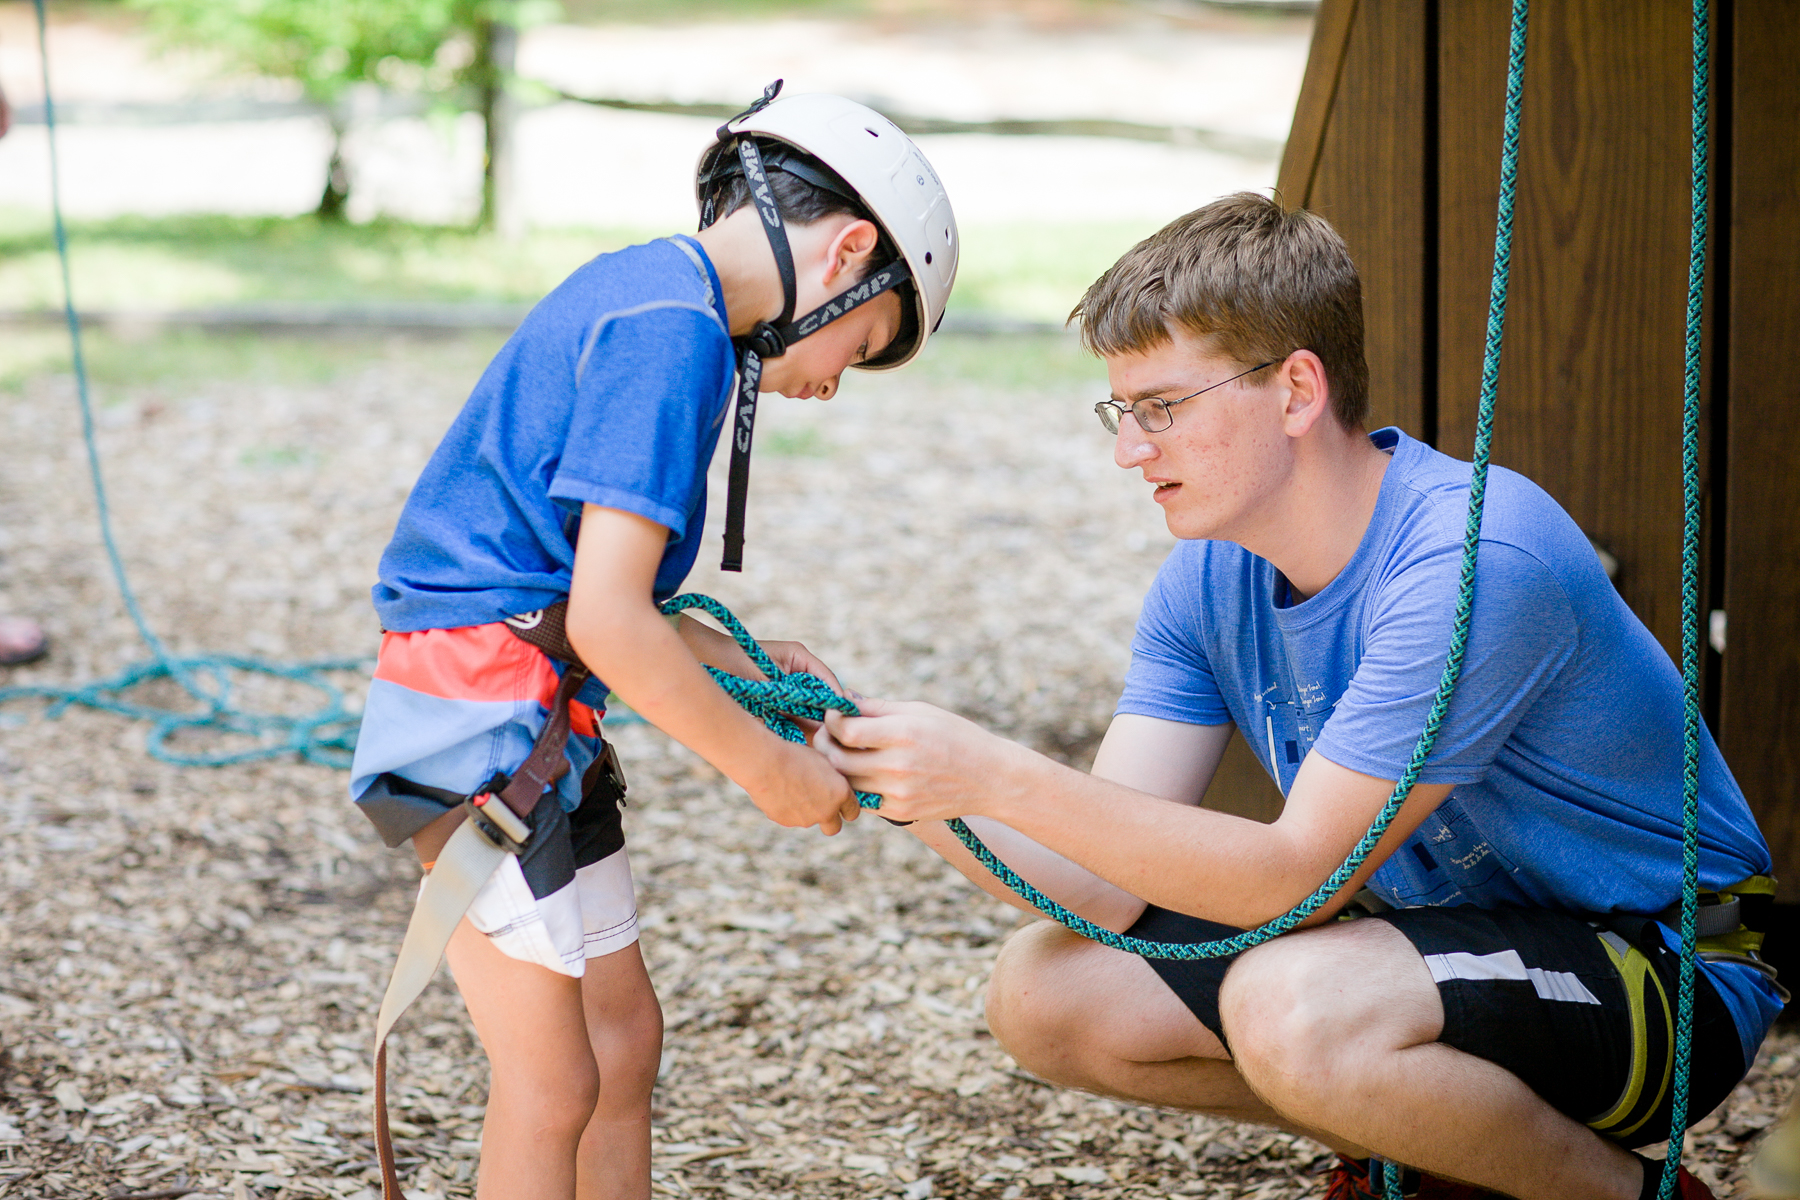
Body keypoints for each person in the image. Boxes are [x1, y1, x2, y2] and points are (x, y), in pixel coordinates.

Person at [814, 193, 1780, 1200]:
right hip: (1429, 955)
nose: (1128, 451)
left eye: (1163, 407)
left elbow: (1289, 877)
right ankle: (1425, 1137)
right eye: (1122, 410)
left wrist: (998, 769)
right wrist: (882, 769)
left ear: (1295, 390)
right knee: (1047, 991)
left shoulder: (1472, 558)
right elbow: (1093, 881)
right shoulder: (1208, 576)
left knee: (1293, 1005)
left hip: (1671, 970)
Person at [347, 87, 957, 1200]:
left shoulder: (661, 303)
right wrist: (769, 769)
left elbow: (598, 598)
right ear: (849, 250)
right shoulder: (674, 335)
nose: (828, 383)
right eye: (860, 346)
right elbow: (609, 622)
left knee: (622, 1044)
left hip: (530, 709)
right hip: (481, 717)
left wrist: (763, 668)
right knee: (553, 1080)